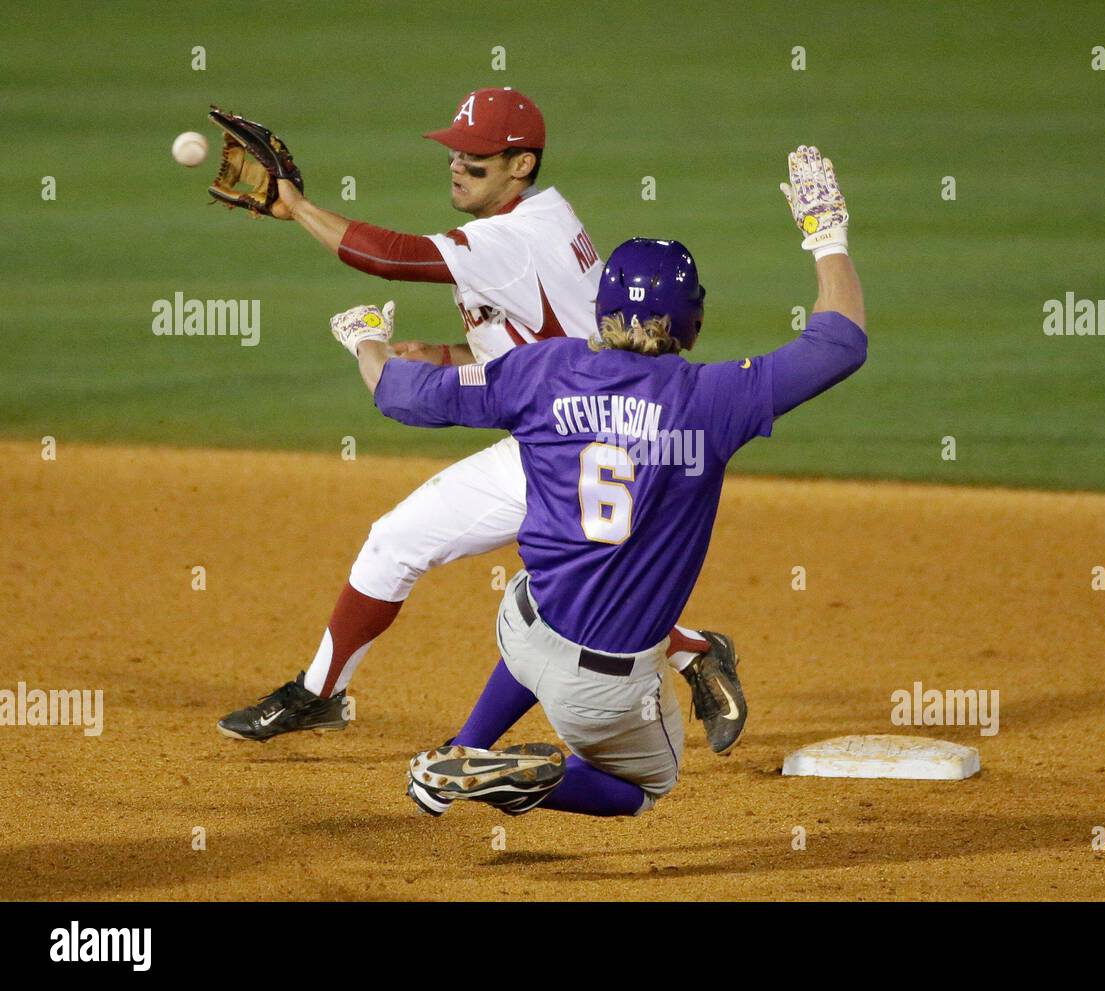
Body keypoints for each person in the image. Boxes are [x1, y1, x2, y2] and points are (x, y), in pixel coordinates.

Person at [327, 145, 865, 819]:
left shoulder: (537, 372)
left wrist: (366, 341)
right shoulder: (713, 398)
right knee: (646, 787)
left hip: (521, 621)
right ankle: (519, 779)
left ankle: (462, 753)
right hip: (604, 692)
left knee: (540, 611)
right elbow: (840, 342)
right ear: (692, 319)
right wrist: (825, 229)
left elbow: (402, 395)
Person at [217, 87, 747, 754]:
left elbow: (386, 257)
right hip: (585, 429)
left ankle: (692, 652)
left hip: (579, 448)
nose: (457, 165)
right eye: (454, 152)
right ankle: (319, 694)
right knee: (403, 542)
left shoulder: (515, 238)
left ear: (520, 165)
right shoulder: (536, 224)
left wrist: (294, 205)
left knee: (563, 596)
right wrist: (441, 354)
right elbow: (542, 343)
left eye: (476, 157)